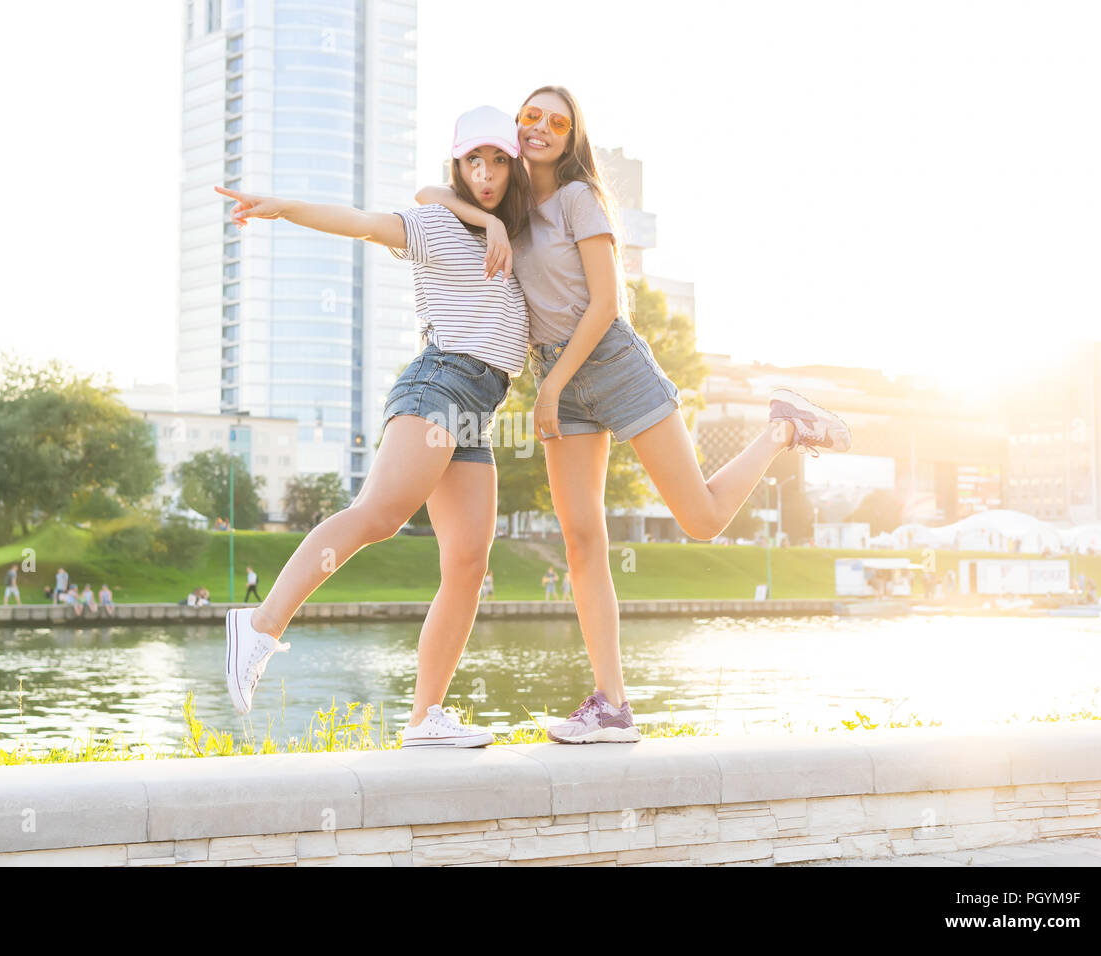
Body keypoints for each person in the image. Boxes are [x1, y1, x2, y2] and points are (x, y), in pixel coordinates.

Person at [417, 85, 853, 744]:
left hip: (610, 364)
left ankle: (782, 426)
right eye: (530, 117)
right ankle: (612, 706)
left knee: (701, 518)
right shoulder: (505, 205)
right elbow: (427, 198)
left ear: (571, 138)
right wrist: (494, 223)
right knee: (582, 541)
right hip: (559, 377)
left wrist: (551, 387)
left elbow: (606, 306)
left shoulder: (579, 199)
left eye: (556, 123)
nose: (541, 128)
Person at [217, 105, 533, 749]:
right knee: (380, 515)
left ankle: (425, 719)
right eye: (474, 160)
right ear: (458, 166)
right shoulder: (435, 223)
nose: (486, 173)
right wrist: (282, 207)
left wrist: (493, 221)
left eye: (498, 160)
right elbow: (362, 222)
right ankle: (260, 626)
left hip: (480, 405)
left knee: (469, 561)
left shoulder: (515, 235)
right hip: (440, 383)